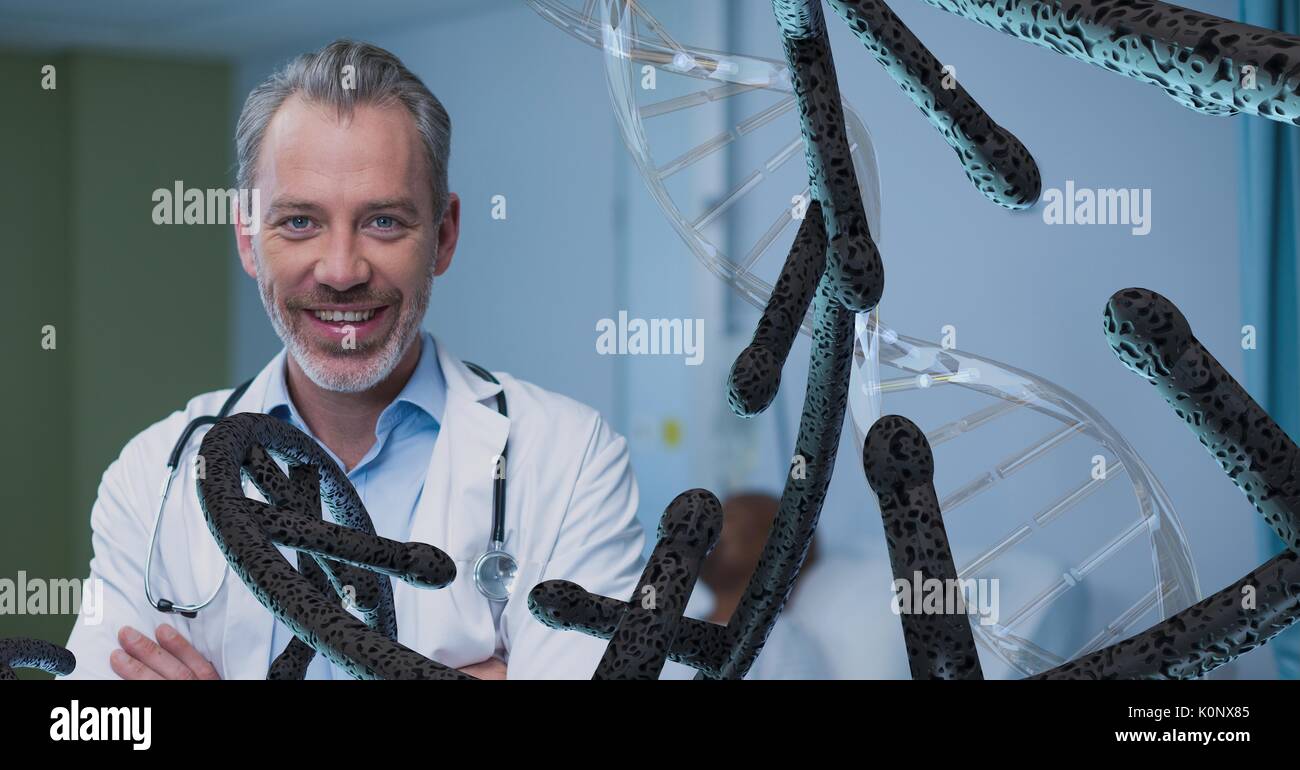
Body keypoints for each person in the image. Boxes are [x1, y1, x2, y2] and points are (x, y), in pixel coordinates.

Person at [63, 40, 645, 680]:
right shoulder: (154, 475)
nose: (341, 271)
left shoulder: (570, 458)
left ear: (444, 236)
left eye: (384, 222)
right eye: (300, 222)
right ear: (249, 240)